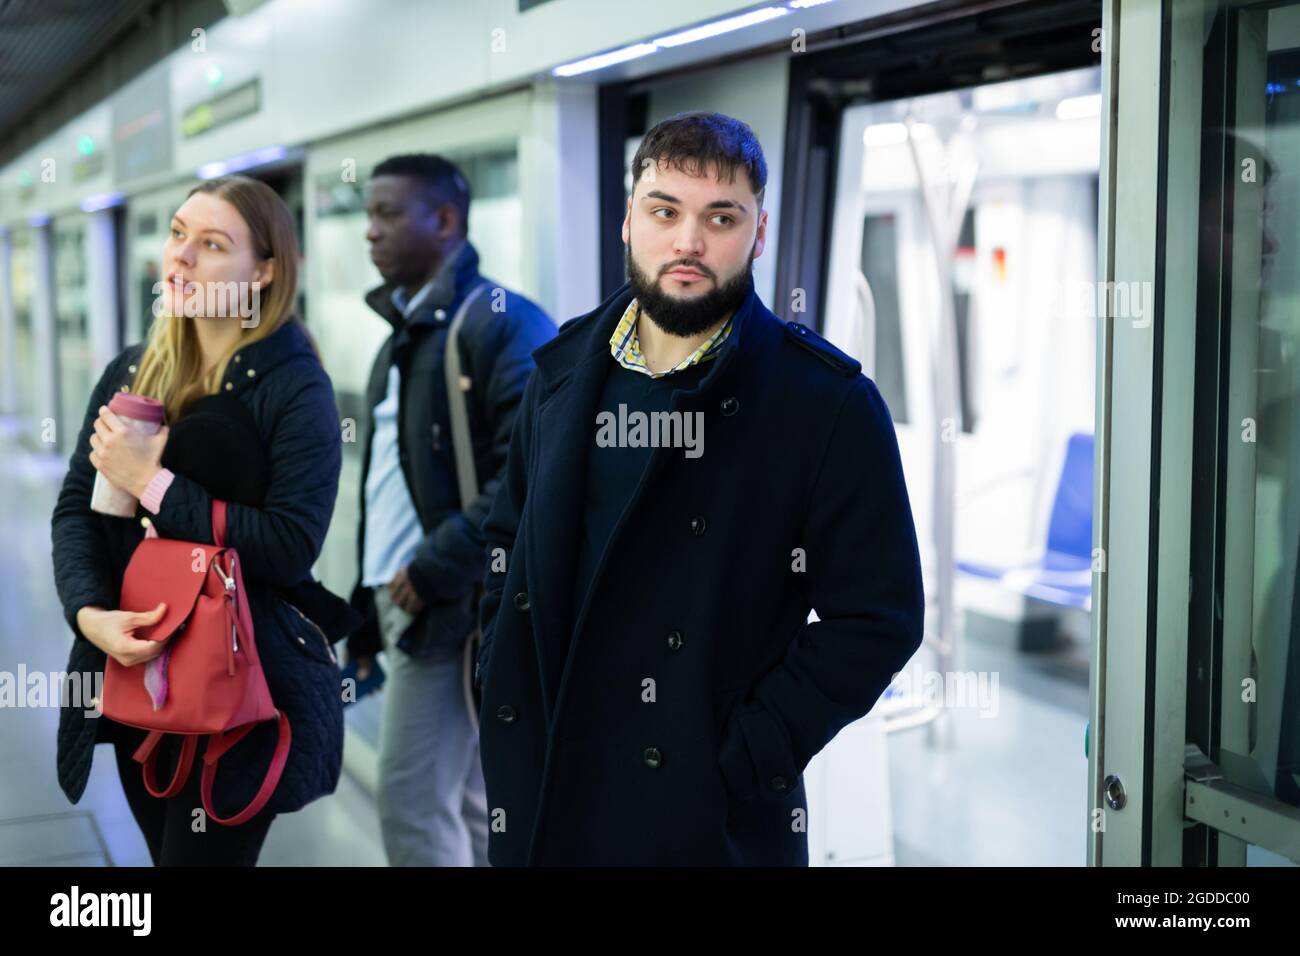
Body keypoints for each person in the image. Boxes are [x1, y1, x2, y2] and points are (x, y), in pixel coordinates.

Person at [474, 111, 926, 866]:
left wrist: (751, 747)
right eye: (664, 211)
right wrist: (495, 666)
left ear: (759, 230)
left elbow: (878, 618)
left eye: (721, 217)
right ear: (627, 221)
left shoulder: (822, 404)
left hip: (701, 814)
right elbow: (506, 537)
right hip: (547, 782)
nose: (688, 241)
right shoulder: (559, 373)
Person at [51, 175, 351, 866]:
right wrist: (88, 614)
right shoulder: (135, 370)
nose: (181, 257)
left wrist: (151, 483)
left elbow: (286, 546)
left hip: (242, 687)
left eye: (212, 244)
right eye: (178, 234)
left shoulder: (296, 388)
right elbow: (77, 509)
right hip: (137, 674)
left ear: (264, 270)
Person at [345, 154, 555, 866]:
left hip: (453, 609)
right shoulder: (403, 337)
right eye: (368, 214)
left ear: (445, 220)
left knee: (410, 802)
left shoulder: (500, 325)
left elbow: (533, 474)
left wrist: (436, 568)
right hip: (404, 598)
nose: (370, 232)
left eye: (388, 213)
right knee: (463, 804)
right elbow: (388, 487)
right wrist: (365, 607)